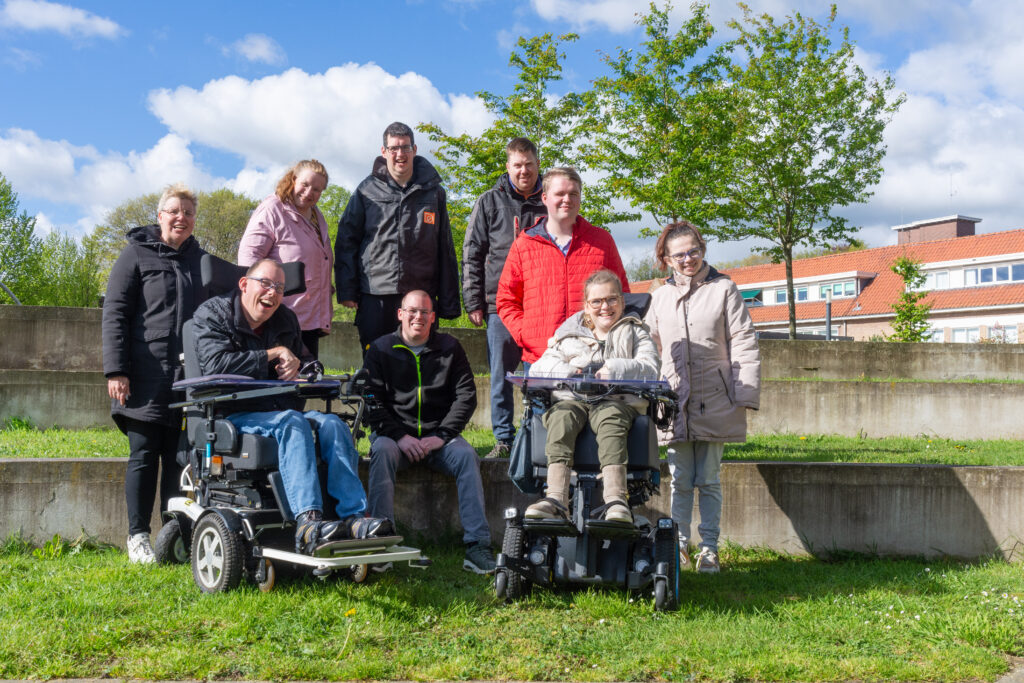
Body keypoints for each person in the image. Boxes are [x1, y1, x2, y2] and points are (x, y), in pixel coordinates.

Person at [191, 258, 392, 554]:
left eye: (280, 288)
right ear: (244, 284)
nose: (272, 293)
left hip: (281, 409)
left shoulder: (285, 319)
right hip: (233, 412)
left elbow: (309, 360)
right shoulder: (213, 314)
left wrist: (306, 368)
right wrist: (272, 354)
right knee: (292, 423)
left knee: (334, 424)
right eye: (266, 284)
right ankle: (309, 521)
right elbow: (215, 364)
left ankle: (353, 517)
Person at [644, 221, 760, 574]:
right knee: (679, 478)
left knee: (708, 478)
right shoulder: (659, 297)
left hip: (716, 396)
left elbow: (743, 338)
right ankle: (678, 546)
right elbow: (649, 345)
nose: (688, 259)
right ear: (666, 258)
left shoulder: (724, 288)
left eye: (693, 251)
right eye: (679, 254)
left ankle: (709, 548)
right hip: (674, 400)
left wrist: (744, 391)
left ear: (702, 249)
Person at [102, 183, 208, 563]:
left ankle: (173, 535)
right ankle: (137, 537)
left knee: (179, 458)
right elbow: (115, 313)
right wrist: (117, 369)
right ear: (160, 215)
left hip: (188, 379)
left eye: (189, 213)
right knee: (144, 454)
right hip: (144, 374)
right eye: (175, 211)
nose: (181, 217)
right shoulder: (135, 255)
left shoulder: (202, 261)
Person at [362, 290, 495, 574]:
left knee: (467, 457)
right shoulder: (380, 349)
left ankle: (478, 546)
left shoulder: (450, 347)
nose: (418, 317)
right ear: (400, 314)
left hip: (440, 439)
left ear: (433, 317)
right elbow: (371, 399)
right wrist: (400, 436)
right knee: (381, 451)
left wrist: (443, 435)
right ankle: (381, 541)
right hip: (396, 439)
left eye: (424, 312)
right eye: (412, 311)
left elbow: (466, 395)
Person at [524, 270, 659, 524]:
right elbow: (540, 368)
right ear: (587, 306)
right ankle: (556, 499)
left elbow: (651, 367)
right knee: (561, 416)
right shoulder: (568, 335)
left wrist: (615, 368)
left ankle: (616, 500)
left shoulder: (635, 331)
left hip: (617, 401)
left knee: (610, 418)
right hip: (573, 399)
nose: (604, 307)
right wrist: (568, 371)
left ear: (621, 301)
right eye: (596, 301)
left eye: (611, 299)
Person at [335, 121, 460, 353]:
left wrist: (449, 302)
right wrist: (347, 290)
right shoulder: (366, 190)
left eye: (405, 147)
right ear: (384, 152)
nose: (400, 154)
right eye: (394, 148)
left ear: (415, 149)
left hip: (420, 295)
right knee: (375, 363)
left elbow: (445, 247)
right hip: (375, 294)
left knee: (418, 363)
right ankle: (372, 393)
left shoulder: (434, 192)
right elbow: (346, 241)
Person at [462, 137, 547, 458]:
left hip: (541, 307)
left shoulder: (550, 201)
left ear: (538, 164)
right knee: (500, 376)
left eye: (529, 164)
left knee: (539, 376)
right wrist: (474, 301)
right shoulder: (488, 202)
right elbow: (472, 253)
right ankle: (503, 439)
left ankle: (537, 438)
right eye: (517, 165)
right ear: (508, 167)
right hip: (500, 305)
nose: (523, 170)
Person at [496, 166, 630, 367]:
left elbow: (623, 295)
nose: (567, 199)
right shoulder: (524, 244)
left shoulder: (602, 241)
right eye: (559, 194)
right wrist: (526, 334)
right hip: (541, 358)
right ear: (544, 198)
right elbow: (506, 300)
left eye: (573, 194)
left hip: (595, 358)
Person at [238, 159, 333, 358]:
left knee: (308, 384)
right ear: (293, 179)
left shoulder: (318, 217)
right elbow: (248, 260)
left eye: (316, 190)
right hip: (277, 318)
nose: (309, 193)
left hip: (310, 319)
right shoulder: (273, 209)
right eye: (305, 185)